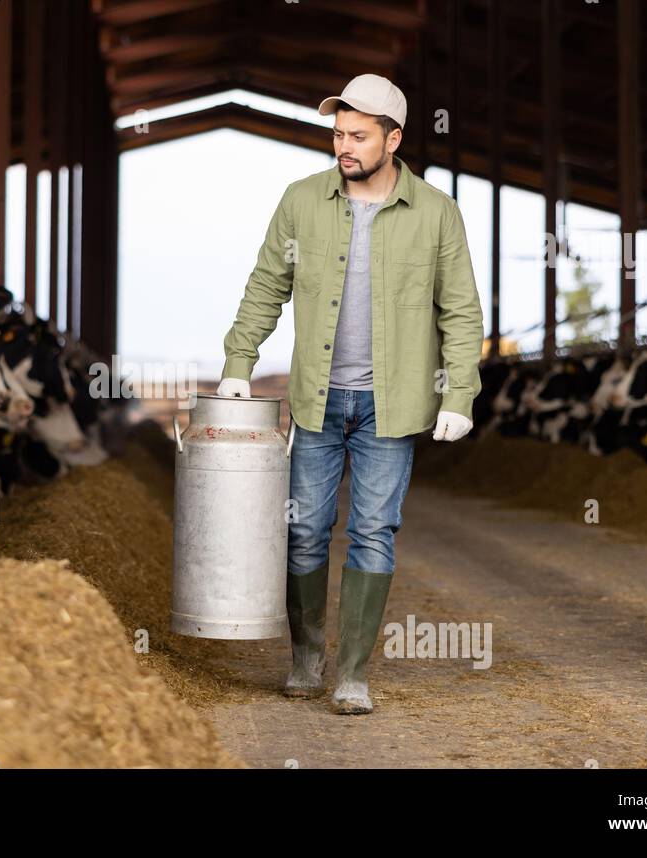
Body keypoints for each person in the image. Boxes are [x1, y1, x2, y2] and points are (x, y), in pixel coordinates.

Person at [217, 74, 484, 714]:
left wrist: (459, 396)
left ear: (393, 139)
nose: (344, 146)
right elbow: (265, 285)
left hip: (391, 406)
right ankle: (307, 657)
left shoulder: (436, 212)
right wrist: (238, 360)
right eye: (338, 134)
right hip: (317, 398)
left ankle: (353, 675)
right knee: (306, 528)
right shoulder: (301, 201)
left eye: (358, 136)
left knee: (374, 530)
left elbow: (463, 311)